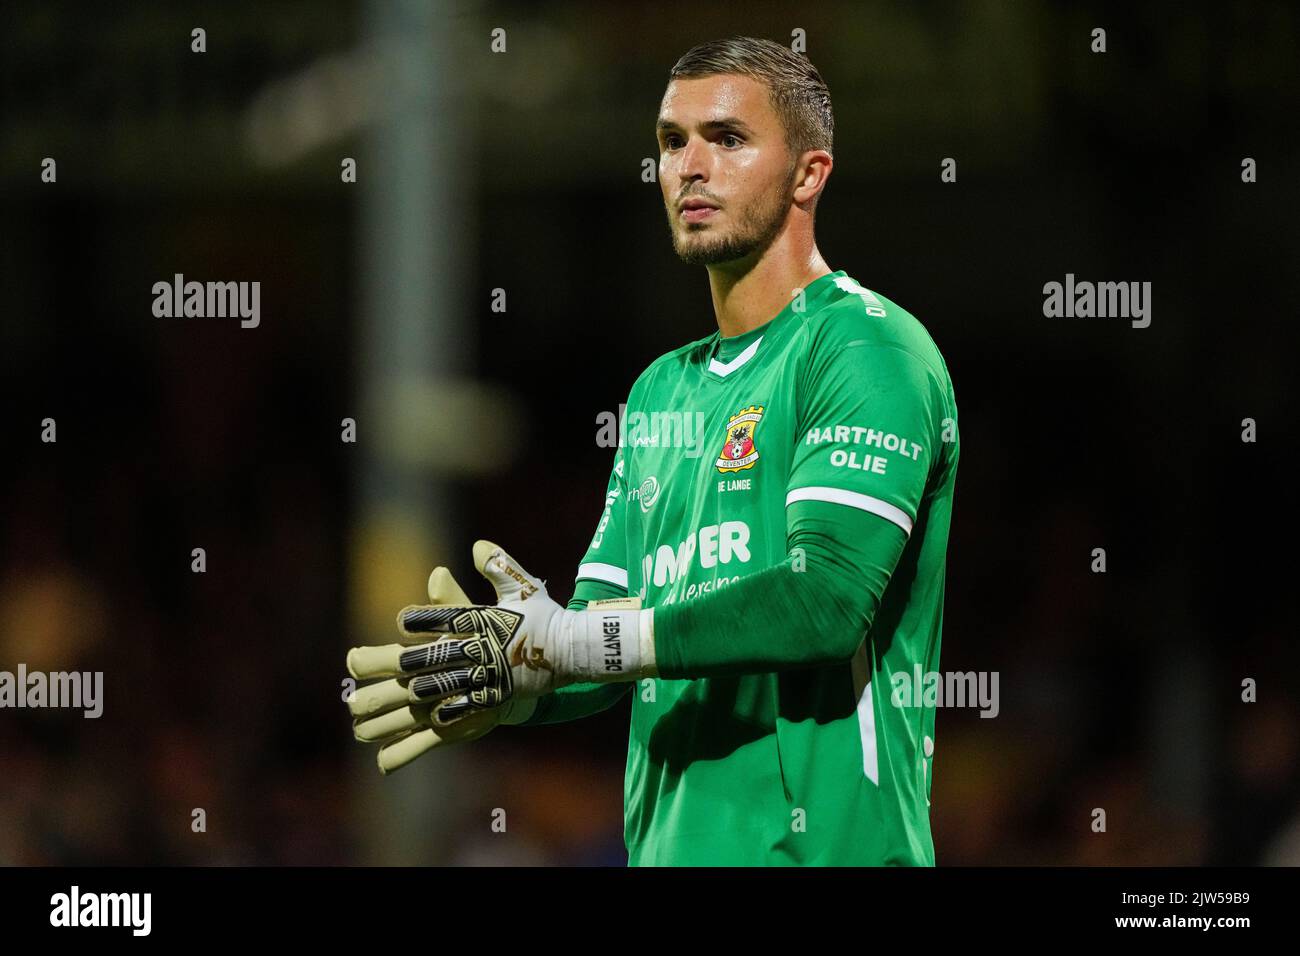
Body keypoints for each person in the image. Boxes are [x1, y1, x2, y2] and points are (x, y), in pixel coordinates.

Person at [346, 35, 959, 866]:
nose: (690, 166)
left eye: (728, 138)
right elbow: (600, 642)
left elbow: (827, 601)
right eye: (673, 142)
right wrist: (521, 679)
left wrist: (577, 642)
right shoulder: (657, 394)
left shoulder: (865, 349)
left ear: (810, 173)